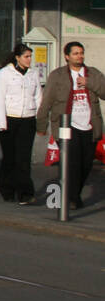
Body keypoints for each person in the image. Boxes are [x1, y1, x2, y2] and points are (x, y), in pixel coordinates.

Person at [36, 41, 105, 210]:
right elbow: (47, 102)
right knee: (72, 163)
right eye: (75, 53)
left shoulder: (93, 74)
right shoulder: (57, 75)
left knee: (86, 164)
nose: (79, 56)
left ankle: (73, 195)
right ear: (67, 56)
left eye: (81, 53)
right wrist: (41, 125)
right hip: (67, 126)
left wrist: (89, 83)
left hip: (89, 126)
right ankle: (72, 199)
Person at [0, 44, 43, 204]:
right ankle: (7, 189)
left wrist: (38, 118)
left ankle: (25, 194)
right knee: (10, 157)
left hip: (27, 120)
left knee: (23, 158)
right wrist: (2, 123)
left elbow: (38, 97)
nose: (29, 60)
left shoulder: (33, 74)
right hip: (9, 119)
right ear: (17, 57)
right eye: (26, 56)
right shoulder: (5, 74)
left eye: (30, 56)